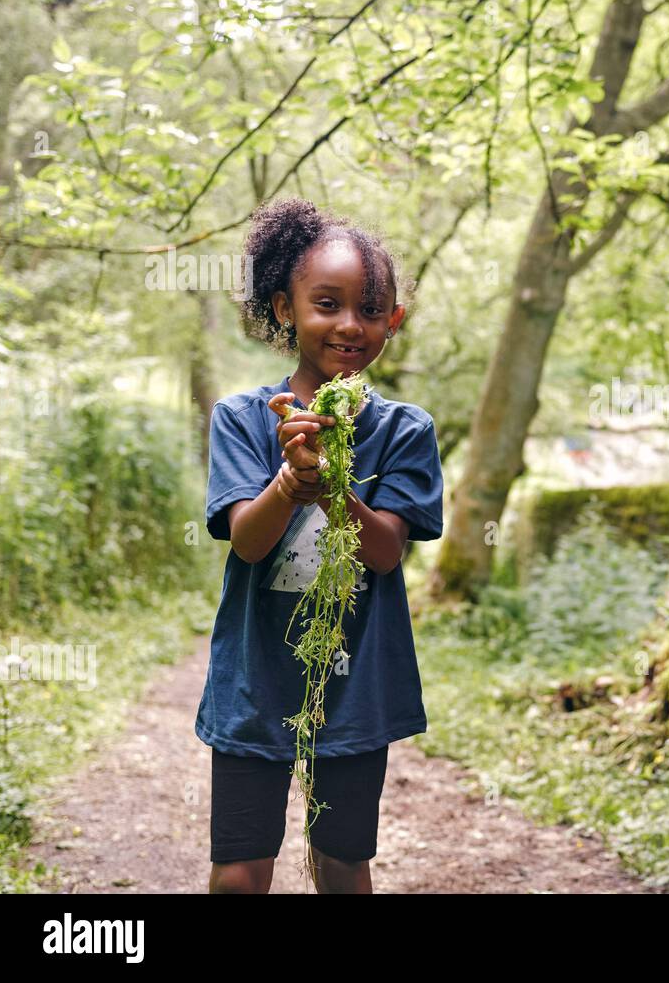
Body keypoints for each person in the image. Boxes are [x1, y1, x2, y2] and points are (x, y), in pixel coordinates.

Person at [198, 198, 444, 893]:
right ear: (285, 308)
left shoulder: (405, 430)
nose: (350, 324)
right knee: (239, 870)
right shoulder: (244, 419)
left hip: (359, 682)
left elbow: (386, 552)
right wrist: (289, 482)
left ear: (394, 319)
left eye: (371, 309)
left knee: (342, 863)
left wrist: (332, 486)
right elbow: (249, 543)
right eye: (327, 304)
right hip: (254, 680)